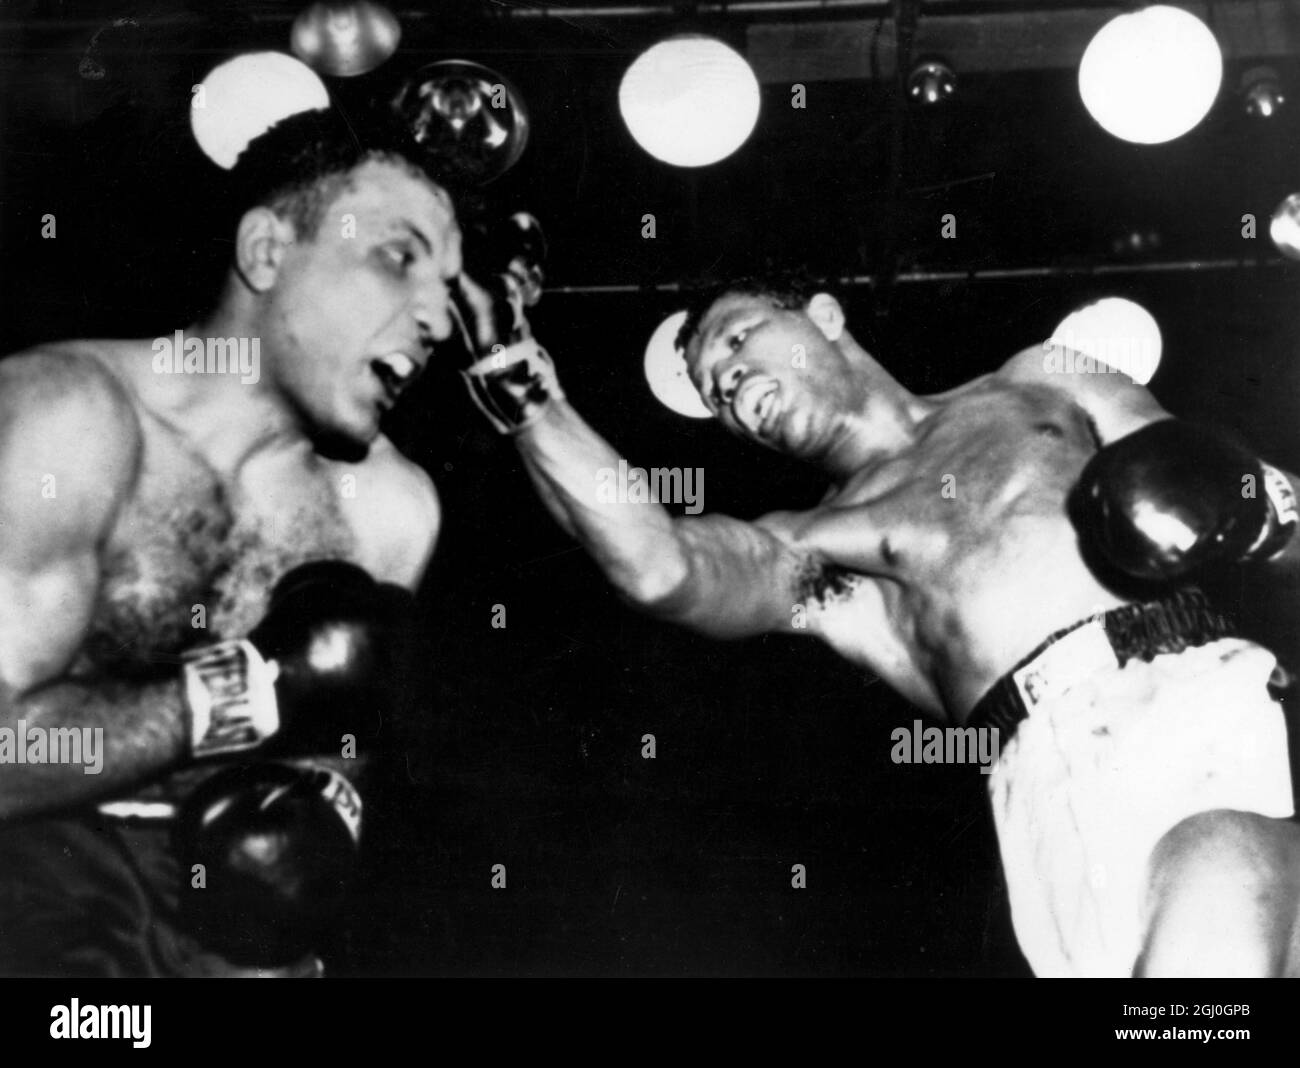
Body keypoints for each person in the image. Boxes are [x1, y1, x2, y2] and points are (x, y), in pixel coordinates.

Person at [451, 267, 1300, 977]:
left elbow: (1238, 490)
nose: (729, 382)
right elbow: (662, 565)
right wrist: (515, 379)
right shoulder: (815, 551)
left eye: (738, 340)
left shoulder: (1043, 376)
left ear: (824, 315)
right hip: (1043, 797)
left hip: (1193, 697)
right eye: (715, 389)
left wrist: (1258, 515)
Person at [0, 106, 460, 975]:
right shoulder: (69, 417)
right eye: (399, 259)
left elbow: (337, 764)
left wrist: (318, 835)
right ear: (266, 252)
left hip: (226, 939)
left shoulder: (389, 510)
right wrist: (250, 686)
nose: (437, 317)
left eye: (448, 288)